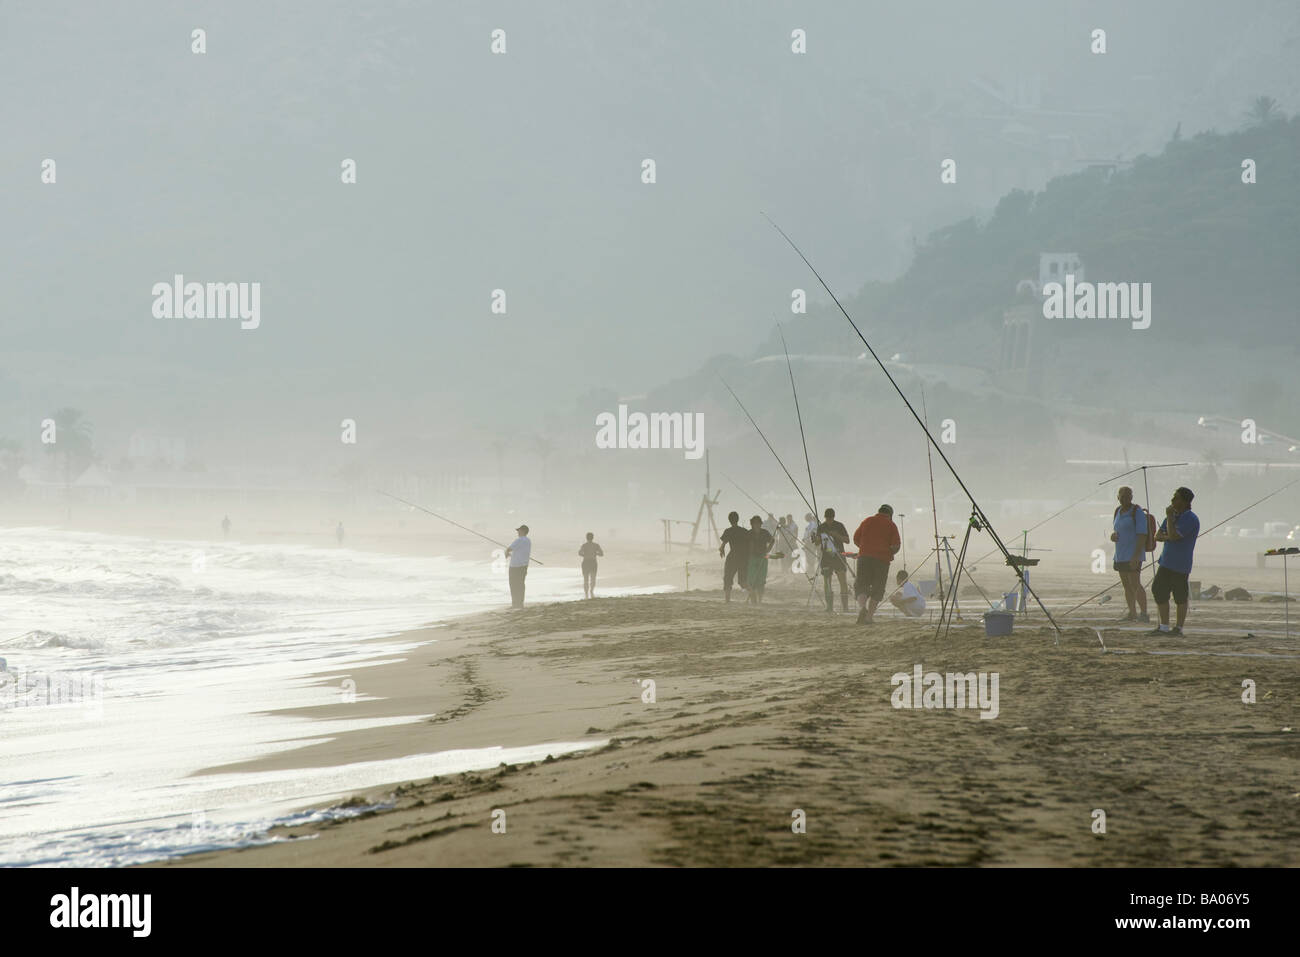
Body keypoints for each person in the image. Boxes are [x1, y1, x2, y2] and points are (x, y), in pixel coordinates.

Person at [1148, 487, 1200, 637]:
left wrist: (1170, 523)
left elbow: (1174, 535)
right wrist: (1168, 534)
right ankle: (1164, 626)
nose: (1172, 500)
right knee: (1158, 590)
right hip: (1166, 562)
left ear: (1184, 501)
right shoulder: (1172, 516)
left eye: (1176, 498)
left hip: (1180, 564)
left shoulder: (1190, 518)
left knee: (1180, 596)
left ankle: (1178, 628)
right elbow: (1158, 536)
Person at [853, 504, 901, 624]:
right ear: (890, 515)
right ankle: (869, 617)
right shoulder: (891, 525)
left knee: (861, 585)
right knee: (878, 588)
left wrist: (865, 548)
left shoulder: (867, 521)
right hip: (882, 560)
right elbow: (896, 546)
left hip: (864, 558)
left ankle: (862, 608)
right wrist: (888, 551)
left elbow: (855, 538)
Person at [1110, 486, 1149, 622]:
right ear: (1118, 497)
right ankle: (1132, 613)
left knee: (1135, 584)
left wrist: (1136, 556)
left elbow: (1142, 534)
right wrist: (1113, 536)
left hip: (1133, 554)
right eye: (1122, 495)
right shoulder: (1118, 511)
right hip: (1120, 554)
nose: (1125, 498)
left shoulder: (1136, 511)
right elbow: (1116, 530)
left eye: (1128, 495)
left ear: (1132, 497)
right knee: (1126, 585)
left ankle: (1144, 614)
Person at [817, 507, 851, 613]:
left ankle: (845, 607)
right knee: (827, 581)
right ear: (825, 518)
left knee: (843, 581)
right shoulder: (821, 527)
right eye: (827, 519)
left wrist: (836, 535)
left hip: (839, 556)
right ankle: (829, 607)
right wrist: (816, 539)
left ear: (833, 517)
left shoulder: (839, 526)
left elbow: (847, 540)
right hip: (826, 557)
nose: (829, 521)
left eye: (830, 519)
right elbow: (818, 543)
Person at [719, 511, 750, 602]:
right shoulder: (744, 531)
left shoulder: (728, 531)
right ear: (738, 519)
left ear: (729, 520)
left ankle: (727, 600)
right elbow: (749, 544)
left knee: (728, 578)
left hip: (733, 557)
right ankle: (753, 595)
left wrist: (721, 550)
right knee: (742, 581)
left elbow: (723, 545)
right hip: (743, 558)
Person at [746, 515, 774, 604]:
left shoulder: (765, 532)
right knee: (751, 579)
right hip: (752, 558)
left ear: (760, 524)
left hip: (763, 557)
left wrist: (768, 550)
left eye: (758, 523)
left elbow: (772, 541)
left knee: (761, 580)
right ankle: (753, 598)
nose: (757, 525)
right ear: (752, 524)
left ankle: (760, 599)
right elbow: (746, 545)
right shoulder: (749, 533)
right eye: (755, 523)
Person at [505, 524, 531, 609]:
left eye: (519, 530)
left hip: (515, 567)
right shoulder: (528, 541)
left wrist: (506, 555)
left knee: (513, 585)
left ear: (523, 531)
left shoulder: (519, 540)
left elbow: (509, 549)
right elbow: (520, 551)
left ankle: (515, 604)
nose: (518, 532)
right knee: (521, 585)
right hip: (524, 566)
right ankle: (520, 603)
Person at [578, 532, 604, 599]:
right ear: (593, 538)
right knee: (593, 578)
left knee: (585, 579)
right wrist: (595, 553)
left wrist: (585, 555)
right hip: (593, 562)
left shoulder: (584, 545)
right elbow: (602, 554)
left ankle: (586, 594)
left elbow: (579, 553)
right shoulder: (596, 545)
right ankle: (591, 592)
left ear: (586, 538)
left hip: (586, 562)